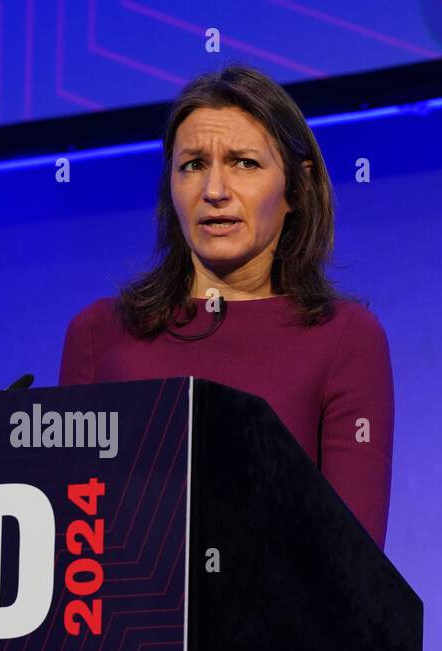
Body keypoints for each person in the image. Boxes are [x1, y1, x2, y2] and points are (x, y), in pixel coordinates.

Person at [57, 64, 394, 549]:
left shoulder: (346, 337)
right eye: (192, 164)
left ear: (296, 188)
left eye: (244, 163)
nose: (214, 191)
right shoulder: (99, 333)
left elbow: (353, 561)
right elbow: (73, 543)